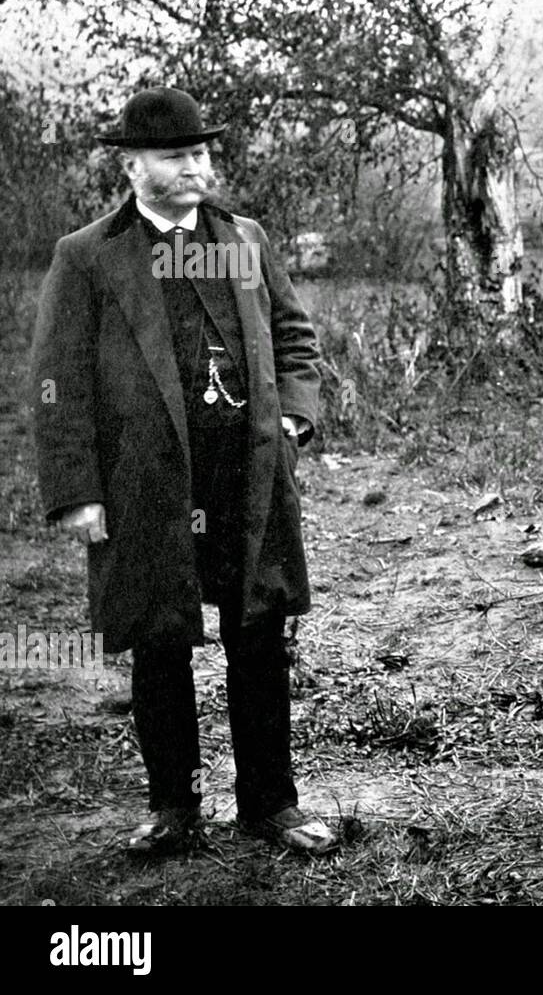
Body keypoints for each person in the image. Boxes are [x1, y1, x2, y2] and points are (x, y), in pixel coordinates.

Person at [31, 86, 337, 856]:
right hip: (145, 483)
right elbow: (57, 381)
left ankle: (271, 805)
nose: (197, 168)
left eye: (202, 154)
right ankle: (175, 809)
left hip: (248, 478)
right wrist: (77, 492)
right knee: (159, 642)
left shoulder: (245, 239)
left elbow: (295, 336)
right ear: (133, 166)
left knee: (259, 633)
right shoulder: (88, 257)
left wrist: (295, 418)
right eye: (178, 156)